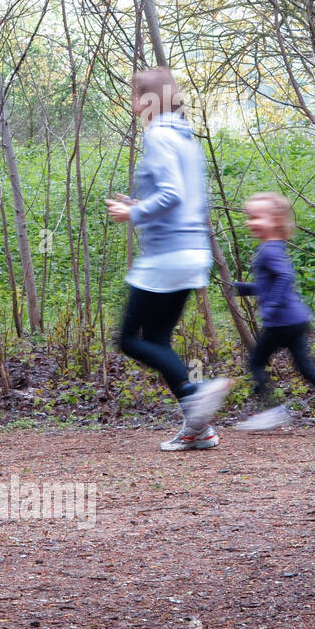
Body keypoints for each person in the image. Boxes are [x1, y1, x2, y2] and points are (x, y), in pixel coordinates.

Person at [106, 67, 231, 451]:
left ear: (147, 100)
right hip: (193, 252)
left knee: (128, 340)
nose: (131, 105)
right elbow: (182, 197)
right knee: (158, 339)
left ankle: (196, 392)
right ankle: (199, 429)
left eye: (133, 96)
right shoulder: (185, 137)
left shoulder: (158, 134)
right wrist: (142, 204)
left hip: (166, 255)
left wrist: (134, 213)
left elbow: (172, 194)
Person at [232, 192, 315, 437]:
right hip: (296, 319)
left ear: (276, 220)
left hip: (281, 321)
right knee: (305, 367)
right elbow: (275, 282)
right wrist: (246, 289)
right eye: (249, 217)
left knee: (255, 362)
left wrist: (273, 306)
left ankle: (271, 411)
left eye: (257, 217)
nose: (250, 222)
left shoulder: (268, 250)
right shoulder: (275, 247)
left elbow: (284, 278)